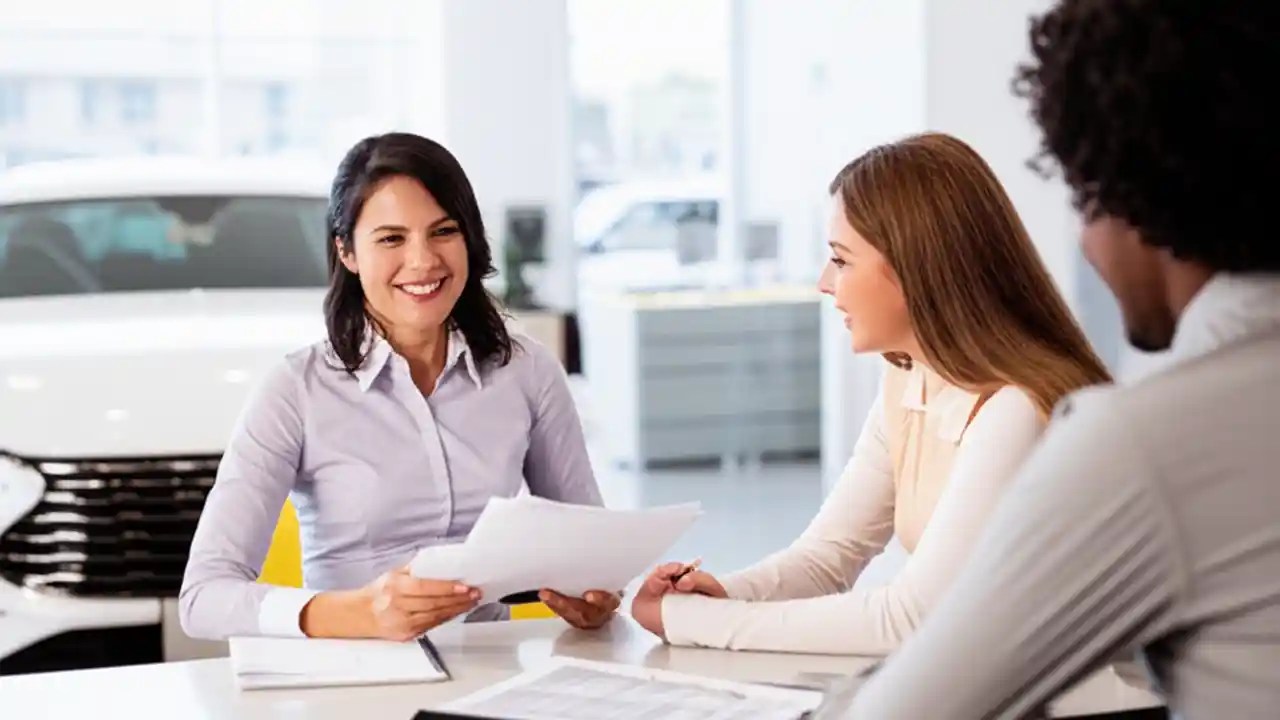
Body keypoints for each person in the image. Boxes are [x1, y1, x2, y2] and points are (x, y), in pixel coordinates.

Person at [846, 2, 1280, 718]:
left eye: (1084, 199)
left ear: (1138, 197)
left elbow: (911, 709)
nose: (1084, 242)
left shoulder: (1145, 444)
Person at [629, 132, 1111, 655]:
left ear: (914, 267)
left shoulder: (1016, 409)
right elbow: (827, 559)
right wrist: (721, 594)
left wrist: (692, 622)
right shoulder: (912, 380)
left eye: (841, 260)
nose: (824, 282)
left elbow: (911, 619)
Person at [180, 133, 618, 641]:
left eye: (443, 231)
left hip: (491, 670)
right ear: (346, 252)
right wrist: (358, 614)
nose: (423, 261)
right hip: (352, 674)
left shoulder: (528, 372)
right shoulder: (295, 391)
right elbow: (203, 599)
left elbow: (593, 549)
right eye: (391, 239)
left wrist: (596, 597)